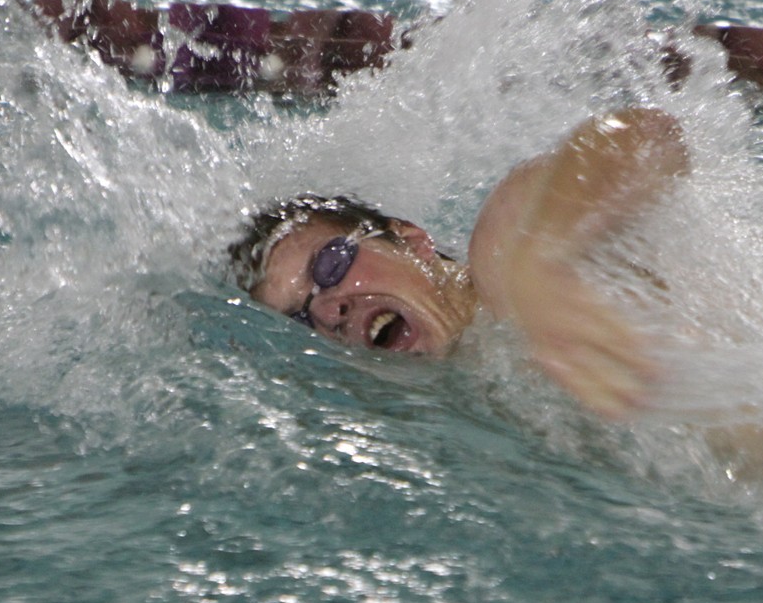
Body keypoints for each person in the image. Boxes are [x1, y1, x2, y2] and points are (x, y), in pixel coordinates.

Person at [227, 107, 689, 420]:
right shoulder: (464, 398)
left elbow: (650, 137)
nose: (328, 311)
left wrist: (538, 267)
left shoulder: (505, 257)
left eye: (330, 264)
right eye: (301, 318)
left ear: (411, 240)